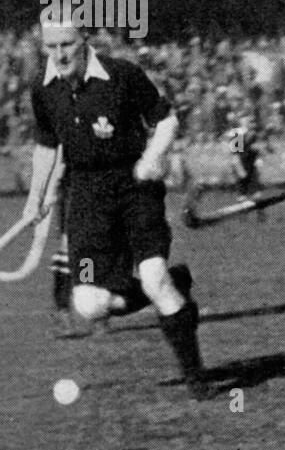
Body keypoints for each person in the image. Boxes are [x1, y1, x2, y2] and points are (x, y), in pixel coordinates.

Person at [25, 21, 208, 398]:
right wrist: (35, 198)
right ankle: (176, 282)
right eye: (51, 46)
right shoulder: (43, 88)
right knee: (89, 304)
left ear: (84, 41)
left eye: (67, 44)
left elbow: (166, 120)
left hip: (134, 189)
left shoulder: (122, 74)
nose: (59, 54)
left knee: (154, 278)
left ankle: (196, 378)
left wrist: (153, 158)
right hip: (87, 198)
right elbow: (47, 145)